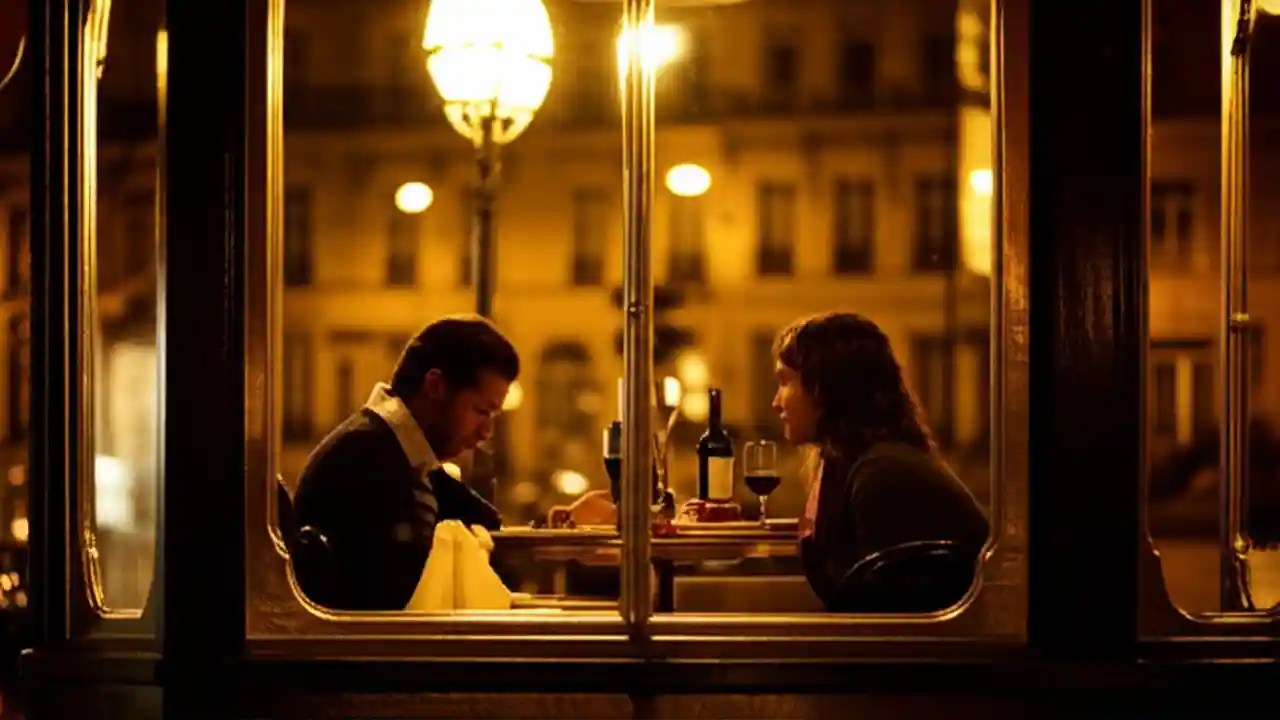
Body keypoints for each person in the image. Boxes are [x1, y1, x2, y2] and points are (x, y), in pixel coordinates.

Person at [290, 315, 518, 610]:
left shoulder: (404, 453)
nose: (486, 432)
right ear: (435, 386)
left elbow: (487, 526)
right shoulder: (369, 459)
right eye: (481, 411)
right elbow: (394, 598)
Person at [771, 312, 989, 612]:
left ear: (827, 388)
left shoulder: (882, 474)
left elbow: (885, 619)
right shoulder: (854, 465)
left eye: (785, 382)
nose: (776, 402)